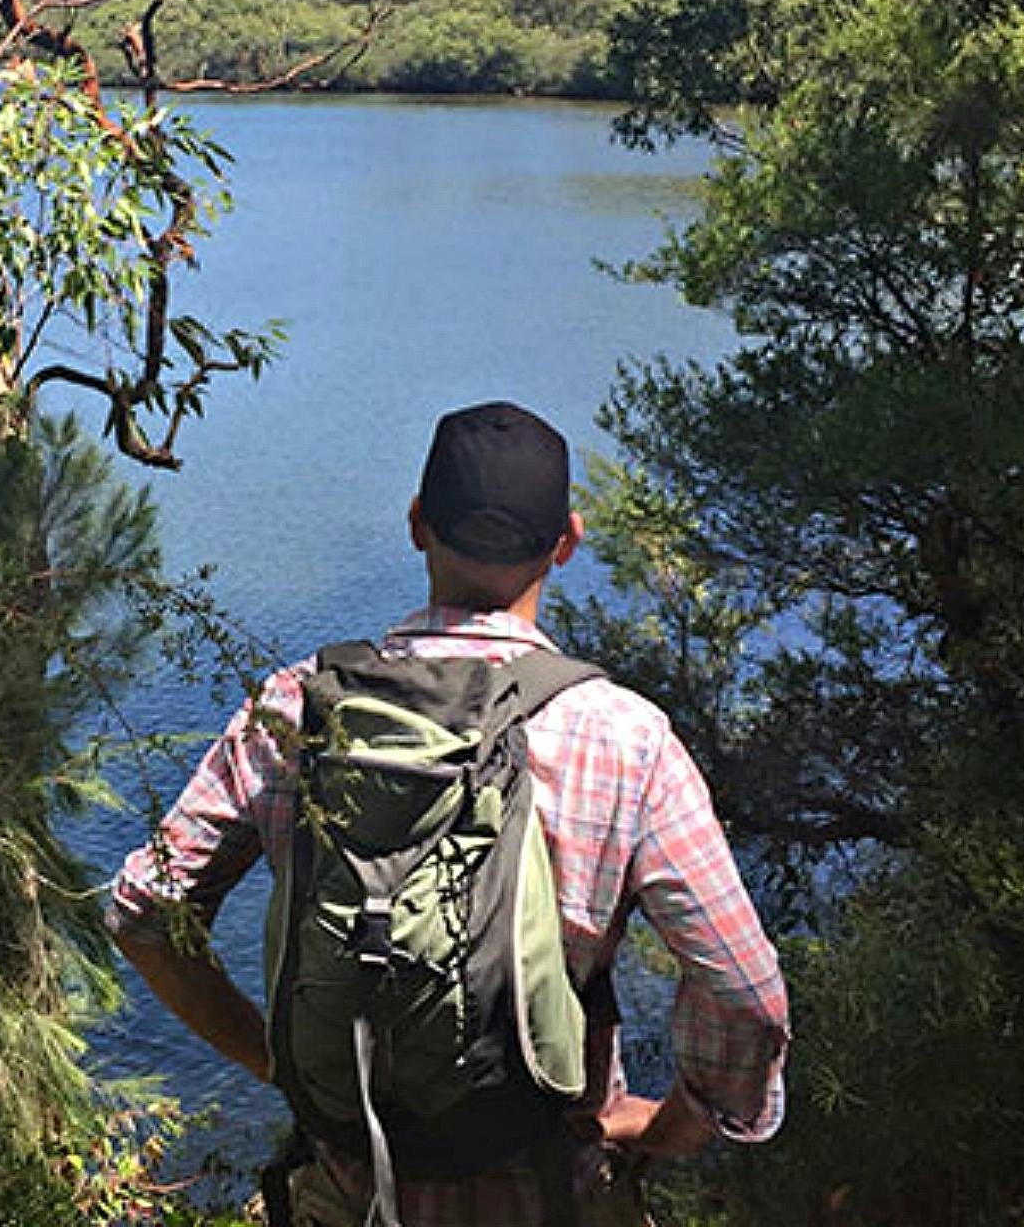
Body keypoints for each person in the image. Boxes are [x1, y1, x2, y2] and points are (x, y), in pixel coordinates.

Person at [108, 400, 790, 1226]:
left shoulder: (298, 709)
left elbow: (145, 913)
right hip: (553, 1193)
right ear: (567, 542)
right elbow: (747, 994)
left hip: (349, 1195)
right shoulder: (625, 738)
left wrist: (281, 1065)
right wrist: (679, 1121)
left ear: (417, 524)